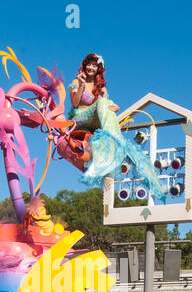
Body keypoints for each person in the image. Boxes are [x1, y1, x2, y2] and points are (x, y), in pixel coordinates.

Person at [68, 54, 164, 198]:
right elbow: (74, 103)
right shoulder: (77, 81)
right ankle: (115, 140)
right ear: (84, 65)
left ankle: (113, 144)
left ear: (99, 69)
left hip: (95, 122)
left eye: (94, 65)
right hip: (79, 119)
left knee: (105, 103)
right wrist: (82, 85)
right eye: (89, 64)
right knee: (102, 102)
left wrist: (115, 107)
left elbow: (107, 104)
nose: (91, 67)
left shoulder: (101, 87)